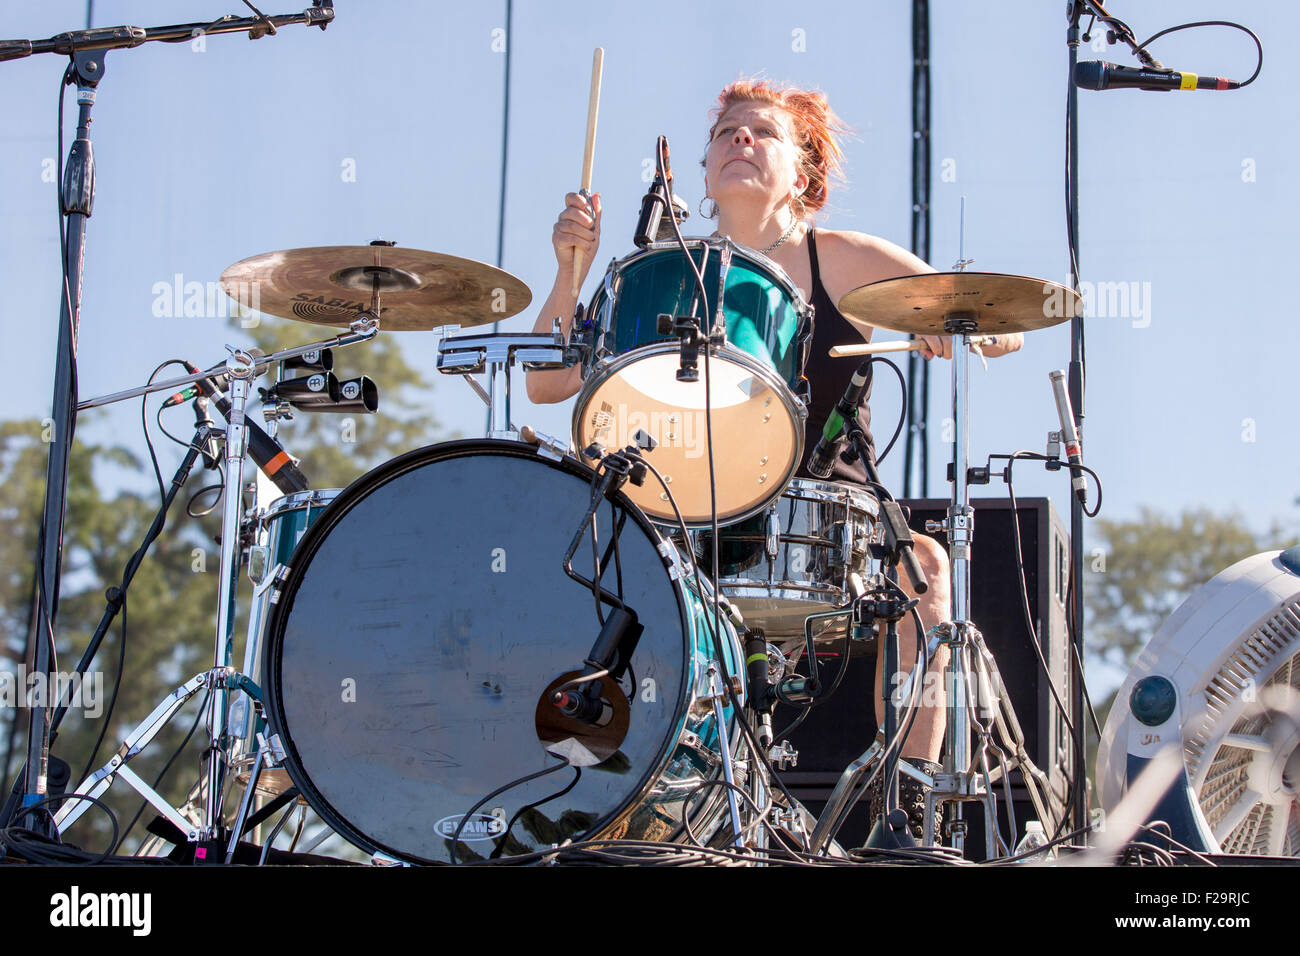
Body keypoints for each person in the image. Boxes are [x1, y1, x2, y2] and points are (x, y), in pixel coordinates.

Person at [527, 79, 1023, 840]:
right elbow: (546, 380)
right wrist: (570, 265)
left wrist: (955, 325)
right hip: (684, 515)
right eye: (727, 130)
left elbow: (996, 324)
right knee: (572, 565)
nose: (741, 140)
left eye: (763, 132)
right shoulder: (665, 268)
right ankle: (588, 808)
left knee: (922, 569)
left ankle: (910, 807)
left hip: (822, 520)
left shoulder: (841, 259)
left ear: (805, 173)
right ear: (701, 171)